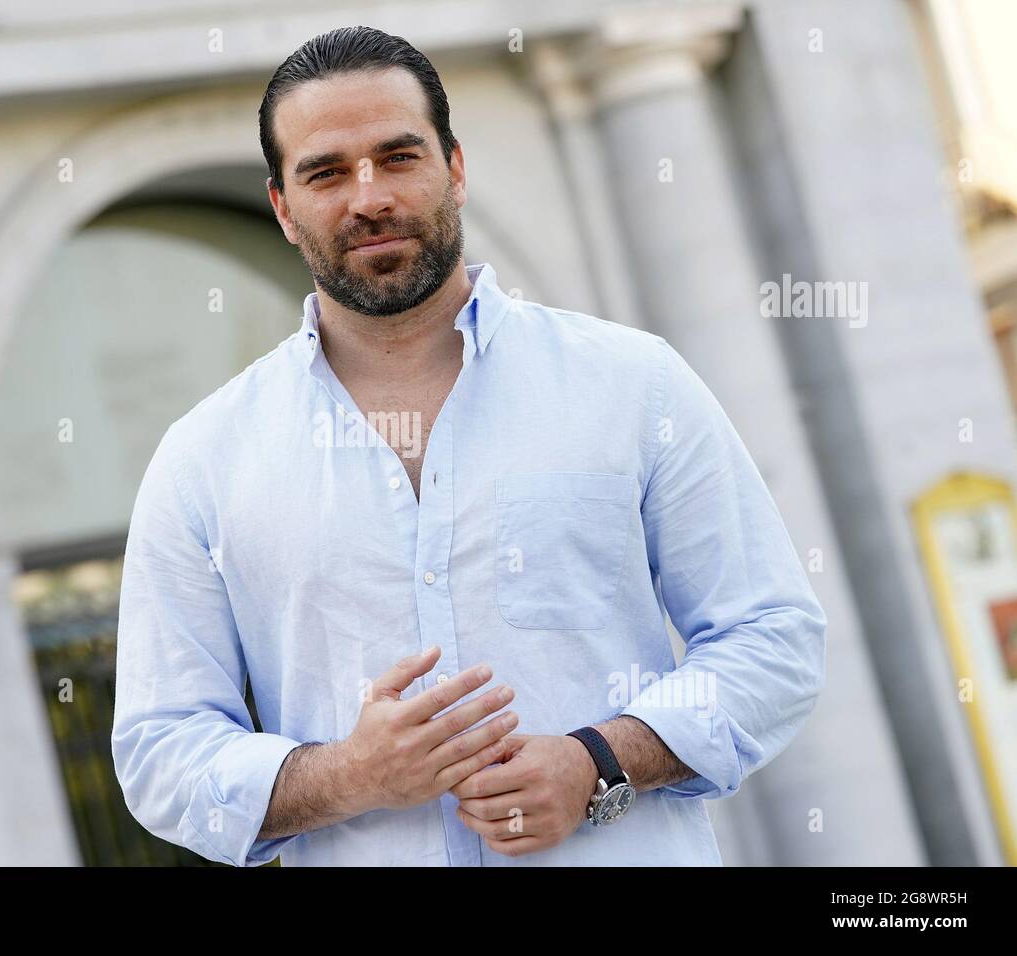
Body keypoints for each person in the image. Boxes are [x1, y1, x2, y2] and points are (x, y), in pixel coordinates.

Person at [111, 25, 826, 866]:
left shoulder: (632, 383)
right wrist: (353, 775)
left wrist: (596, 764)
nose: (368, 196)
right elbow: (159, 750)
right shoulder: (203, 459)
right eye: (327, 172)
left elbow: (773, 638)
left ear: (454, 166)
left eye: (398, 156)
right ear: (283, 207)